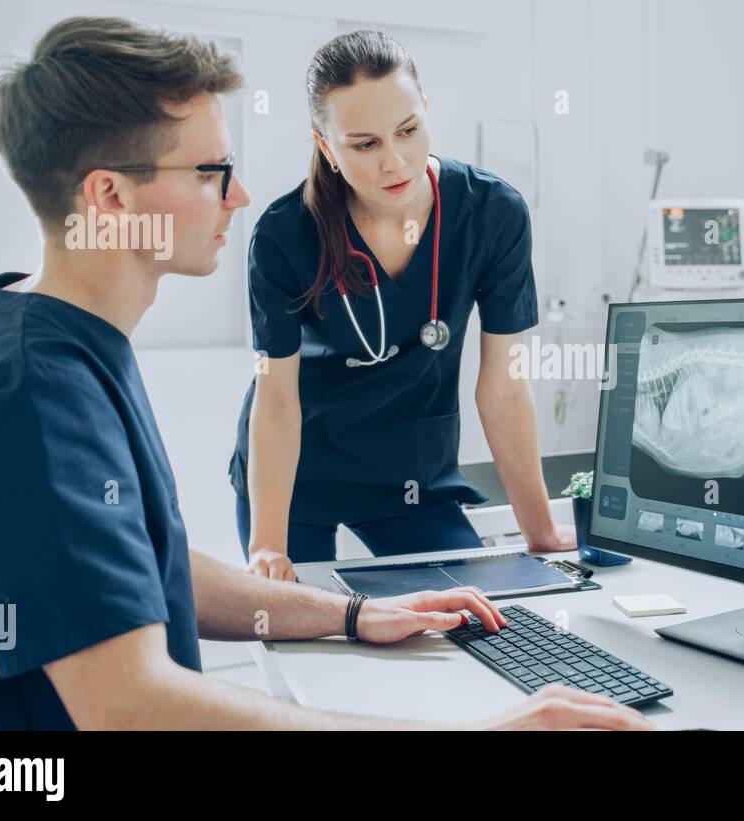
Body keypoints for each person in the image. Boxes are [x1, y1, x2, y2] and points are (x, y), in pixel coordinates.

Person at [0, 16, 651, 732]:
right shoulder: (28, 403)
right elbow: (129, 708)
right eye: (210, 172)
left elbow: (146, 570)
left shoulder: (54, 345)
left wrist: (356, 612)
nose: (236, 195)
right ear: (110, 197)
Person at [232, 30, 575, 581]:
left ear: (426, 113)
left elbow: (504, 386)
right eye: (364, 144)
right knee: (303, 632)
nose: (395, 161)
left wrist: (540, 531)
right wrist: (268, 545)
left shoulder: (492, 214)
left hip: (411, 477)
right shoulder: (284, 235)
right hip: (298, 473)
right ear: (327, 147)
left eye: (408, 131)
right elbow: (276, 399)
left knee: (472, 612)